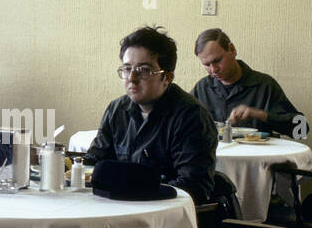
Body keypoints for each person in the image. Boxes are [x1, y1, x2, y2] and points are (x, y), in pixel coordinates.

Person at [82, 26, 218, 202]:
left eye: (144, 70)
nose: (132, 78)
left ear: (167, 77)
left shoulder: (191, 116)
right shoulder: (116, 109)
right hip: (116, 207)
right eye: (127, 69)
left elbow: (194, 186)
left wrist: (133, 190)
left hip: (165, 217)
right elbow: (94, 161)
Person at [191, 28, 306, 136]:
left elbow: (302, 130)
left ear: (232, 49)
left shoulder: (265, 85)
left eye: (217, 61)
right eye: (206, 64)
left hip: (257, 156)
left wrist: (261, 115)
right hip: (216, 157)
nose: (213, 69)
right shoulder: (202, 88)